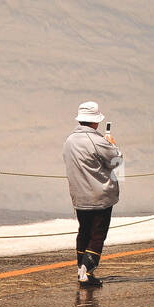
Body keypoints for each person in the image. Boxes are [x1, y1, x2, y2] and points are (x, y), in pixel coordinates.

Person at [63, 101, 123, 287]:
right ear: (95, 122)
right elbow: (117, 163)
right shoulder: (97, 141)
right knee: (97, 235)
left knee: (84, 232)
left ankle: (81, 269)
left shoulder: (69, 140)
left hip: (78, 196)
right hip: (99, 197)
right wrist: (113, 146)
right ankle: (86, 272)